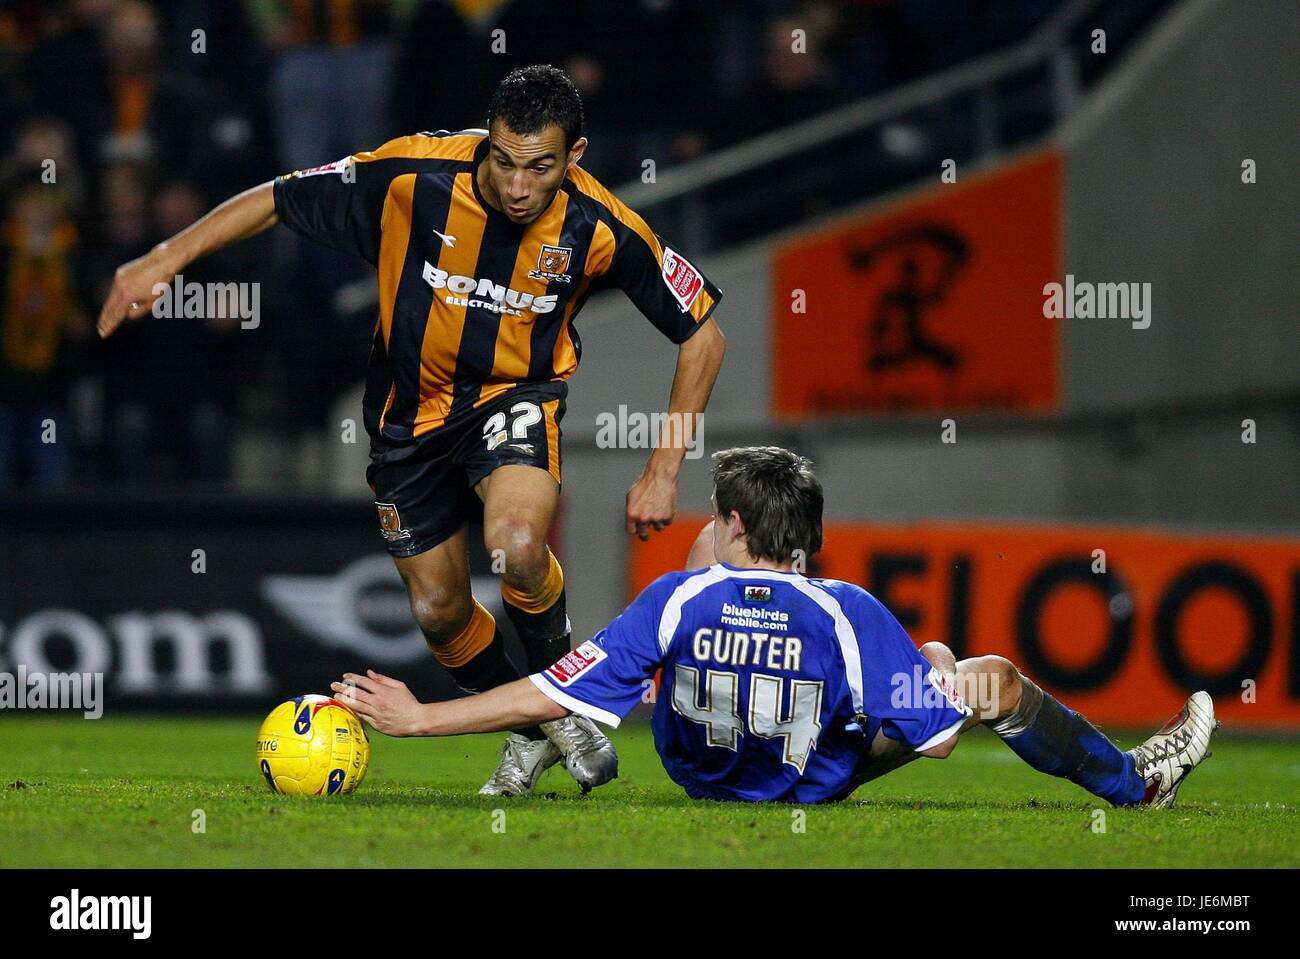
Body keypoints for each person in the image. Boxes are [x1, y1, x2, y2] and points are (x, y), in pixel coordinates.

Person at [96, 65, 727, 796]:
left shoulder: (601, 224)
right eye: (505, 160)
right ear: (486, 140)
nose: (519, 185)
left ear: (575, 156)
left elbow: (704, 333)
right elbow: (277, 199)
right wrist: (161, 259)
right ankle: (536, 728)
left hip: (512, 396)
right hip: (406, 420)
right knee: (438, 609)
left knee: (518, 546)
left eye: (541, 167)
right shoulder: (411, 175)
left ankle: (567, 705)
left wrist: (663, 466)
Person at [330, 446, 1219, 807]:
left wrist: (420, 718)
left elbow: (542, 683)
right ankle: (1137, 785)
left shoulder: (679, 593)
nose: (712, 523)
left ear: (739, 526)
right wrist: (935, 680)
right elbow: (942, 745)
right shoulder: (848, 610)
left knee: (641, 639)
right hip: (805, 782)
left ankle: (547, 743)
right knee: (978, 671)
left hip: (702, 773)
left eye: (720, 514)